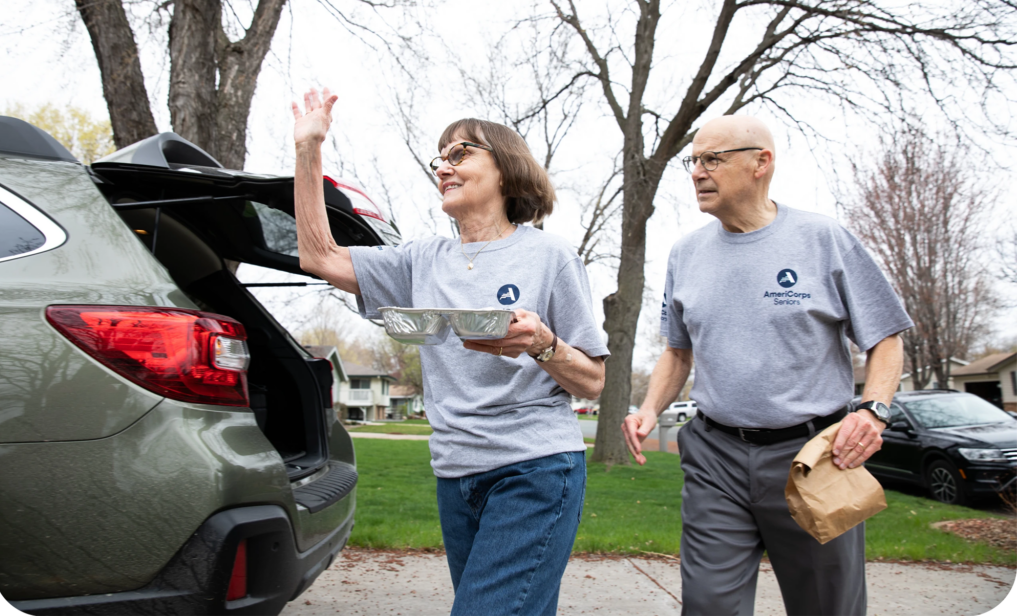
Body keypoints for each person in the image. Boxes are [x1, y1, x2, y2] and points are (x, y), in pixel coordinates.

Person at [291, 87, 608, 616]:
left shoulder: (548, 257)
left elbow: (593, 382)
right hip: (455, 474)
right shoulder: (420, 261)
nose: (444, 166)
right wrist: (309, 149)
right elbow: (317, 255)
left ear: (505, 169)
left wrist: (544, 343)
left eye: (461, 153)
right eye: (441, 157)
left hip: (533, 469)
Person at [622, 115, 913, 616]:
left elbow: (885, 337)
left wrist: (873, 411)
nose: (697, 172)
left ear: (762, 162)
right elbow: (677, 350)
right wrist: (650, 407)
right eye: (693, 161)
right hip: (716, 457)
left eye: (713, 159)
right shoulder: (686, 253)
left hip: (812, 457)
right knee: (709, 606)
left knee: (828, 606)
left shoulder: (823, 239)